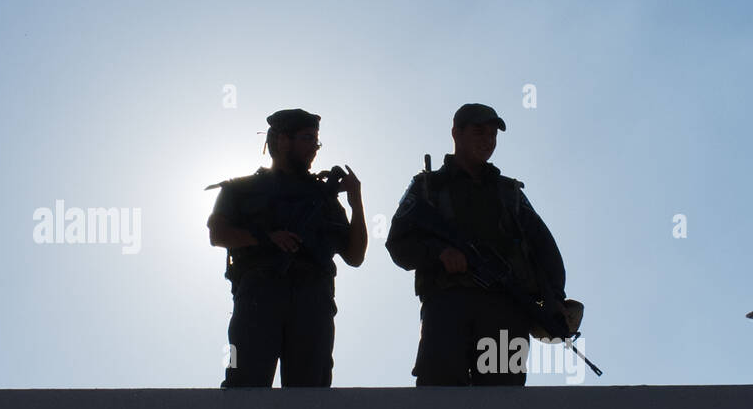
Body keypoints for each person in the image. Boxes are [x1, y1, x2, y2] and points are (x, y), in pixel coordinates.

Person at [385, 103, 569, 386]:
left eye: (493, 135)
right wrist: (439, 253)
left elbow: (545, 248)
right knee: (439, 397)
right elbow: (398, 244)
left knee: (503, 402)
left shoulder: (510, 194)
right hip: (448, 305)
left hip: (505, 309)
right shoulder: (428, 187)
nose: (487, 141)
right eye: (479, 132)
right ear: (456, 133)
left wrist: (554, 297)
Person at [207, 108, 366, 387]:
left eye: (316, 141)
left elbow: (354, 256)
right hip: (259, 294)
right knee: (246, 384)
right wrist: (266, 237)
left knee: (311, 394)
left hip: (313, 297)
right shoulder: (240, 190)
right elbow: (218, 234)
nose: (314, 148)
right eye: (308, 139)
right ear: (282, 141)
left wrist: (356, 202)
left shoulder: (323, 196)